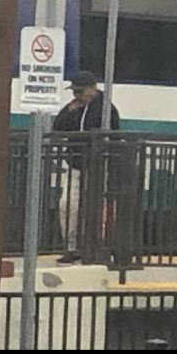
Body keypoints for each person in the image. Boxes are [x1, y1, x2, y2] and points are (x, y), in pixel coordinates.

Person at [51, 70, 120, 264]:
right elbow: (58, 127)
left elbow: (114, 134)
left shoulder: (106, 109)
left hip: (97, 167)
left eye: (80, 92)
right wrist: (69, 109)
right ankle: (71, 248)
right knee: (67, 205)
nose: (77, 96)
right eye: (75, 92)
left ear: (92, 89)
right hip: (75, 165)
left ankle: (97, 248)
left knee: (95, 209)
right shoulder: (76, 107)